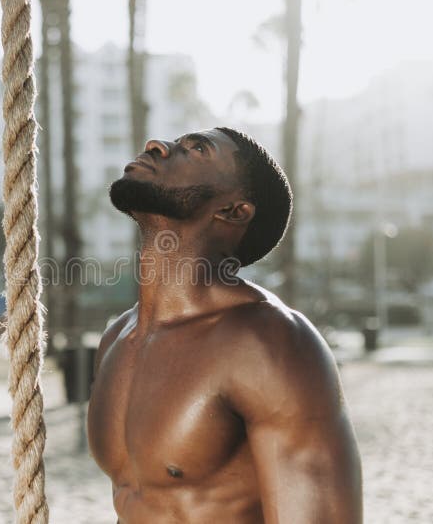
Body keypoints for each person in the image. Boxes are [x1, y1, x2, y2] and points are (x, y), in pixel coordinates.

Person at [87, 127, 362, 523]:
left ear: (234, 211)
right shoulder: (119, 336)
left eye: (197, 148)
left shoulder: (271, 342)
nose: (157, 146)